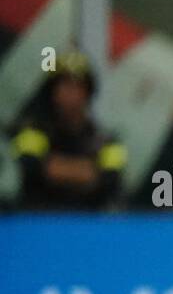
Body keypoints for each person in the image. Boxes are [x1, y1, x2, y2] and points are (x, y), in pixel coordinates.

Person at [10, 51, 126, 211]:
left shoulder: (106, 141)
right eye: (64, 85)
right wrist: (85, 172)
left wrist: (53, 167)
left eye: (77, 86)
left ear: (88, 92)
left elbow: (111, 180)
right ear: (52, 91)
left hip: (87, 226)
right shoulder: (34, 131)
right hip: (37, 222)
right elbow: (29, 166)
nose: (70, 93)